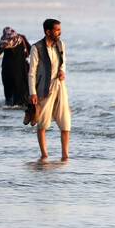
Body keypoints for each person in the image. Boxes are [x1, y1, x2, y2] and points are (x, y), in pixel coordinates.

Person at [28, 18, 71, 161]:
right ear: (48, 32)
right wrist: (32, 93)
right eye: (57, 30)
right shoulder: (36, 48)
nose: (60, 32)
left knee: (65, 122)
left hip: (60, 87)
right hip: (44, 88)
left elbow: (63, 63)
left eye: (60, 29)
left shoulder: (61, 45)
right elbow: (32, 72)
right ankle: (44, 155)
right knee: (43, 123)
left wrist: (62, 71)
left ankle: (65, 155)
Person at [0, 27, 31, 107]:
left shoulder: (19, 38)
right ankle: (14, 105)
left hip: (18, 68)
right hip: (12, 68)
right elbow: (2, 47)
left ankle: (15, 104)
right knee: (13, 88)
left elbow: (30, 49)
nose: (8, 37)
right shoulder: (6, 39)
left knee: (18, 87)